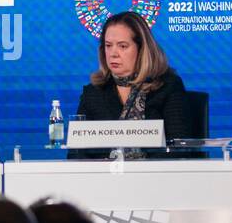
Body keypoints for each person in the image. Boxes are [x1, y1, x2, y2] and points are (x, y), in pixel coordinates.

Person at [75, 11, 193, 141]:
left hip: (157, 161)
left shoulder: (168, 86)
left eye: (123, 46)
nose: (113, 53)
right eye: (108, 45)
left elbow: (180, 148)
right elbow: (77, 152)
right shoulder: (93, 92)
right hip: (106, 162)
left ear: (142, 49)